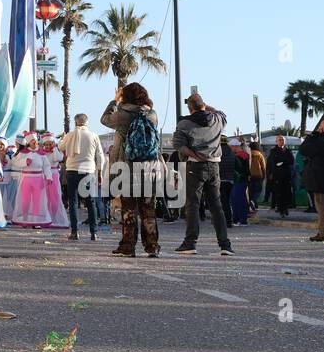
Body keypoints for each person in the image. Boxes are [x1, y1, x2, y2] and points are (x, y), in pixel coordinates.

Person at [101, 83, 164, 258]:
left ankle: (128, 246)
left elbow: (104, 119)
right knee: (148, 209)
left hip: (127, 167)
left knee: (129, 209)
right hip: (149, 168)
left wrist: (115, 101)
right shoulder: (152, 114)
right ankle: (152, 246)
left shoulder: (122, 115)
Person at [172, 91, 234, 256]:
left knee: (192, 204)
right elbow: (221, 112)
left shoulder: (185, 123)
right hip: (214, 166)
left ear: (190, 108)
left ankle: (190, 243)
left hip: (195, 166)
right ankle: (225, 245)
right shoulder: (217, 120)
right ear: (204, 105)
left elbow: (178, 145)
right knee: (216, 205)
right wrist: (204, 105)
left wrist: (194, 154)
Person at [59, 113, 106, 241]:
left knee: (73, 202)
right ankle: (93, 233)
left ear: (75, 123)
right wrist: (100, 172)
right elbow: (100, 156)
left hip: (72, 170)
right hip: (88, 171)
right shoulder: (94, 136)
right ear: (87, 122)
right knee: (91, 202)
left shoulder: (70, 135)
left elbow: (60, 147)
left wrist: (64, 138)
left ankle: (74, 232)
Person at [8, 133, 54, 228]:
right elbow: (14, 162)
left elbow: (46, 166)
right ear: (29, 142)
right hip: (26, 178)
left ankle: (36, 221)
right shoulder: (23, 152)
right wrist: (25, 162)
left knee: (37, 200)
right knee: (26, 199)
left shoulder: (41, 153)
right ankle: (25, 219)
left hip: (38, 179)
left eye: (35, 141)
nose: (35, 142)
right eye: (32, 141)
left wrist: (49, 177)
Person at [267, 135, 295, 217]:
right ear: (276, 141)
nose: (281, 141)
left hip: (286, 175)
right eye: (279, 140)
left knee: (287, 192)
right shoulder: (273, 151)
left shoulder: (288, 150)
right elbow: (273, 161)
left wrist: (283, 162)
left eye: (282, 140)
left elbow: (291, 160)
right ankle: (280, 208)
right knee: (279, 192)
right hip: (277, 175)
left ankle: (285, 208)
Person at [247, 141, 266, 215]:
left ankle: (253, 205)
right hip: (258, 176)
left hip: (250, 176)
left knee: (251, 191)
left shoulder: (248, 154)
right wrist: (264, 175)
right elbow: (263, 166)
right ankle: (253, 201)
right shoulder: (259, 155)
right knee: (258, 190)